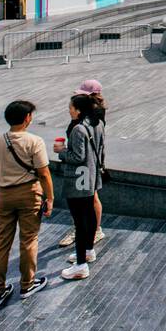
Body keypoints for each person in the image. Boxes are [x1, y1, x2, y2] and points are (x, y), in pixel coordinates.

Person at [0, 100, 52, 308]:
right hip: (29, 193)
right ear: (27, 118)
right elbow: (43, 172)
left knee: (2, 242)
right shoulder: (34, 141)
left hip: (3, 194)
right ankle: (27, 284)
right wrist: (50, 198)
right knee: (28, 239)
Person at [58, 91, 106, 280]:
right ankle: (88, 251)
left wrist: (62, 152)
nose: (69, 111)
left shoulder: (78, 129)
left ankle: (80, 265)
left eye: (70, 108)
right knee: (89, 216)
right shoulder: (99, 123)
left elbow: (77, 157)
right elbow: (101, 150)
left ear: (78, 110)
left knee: (80, 221)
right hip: (93, 175)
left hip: (79, 179)